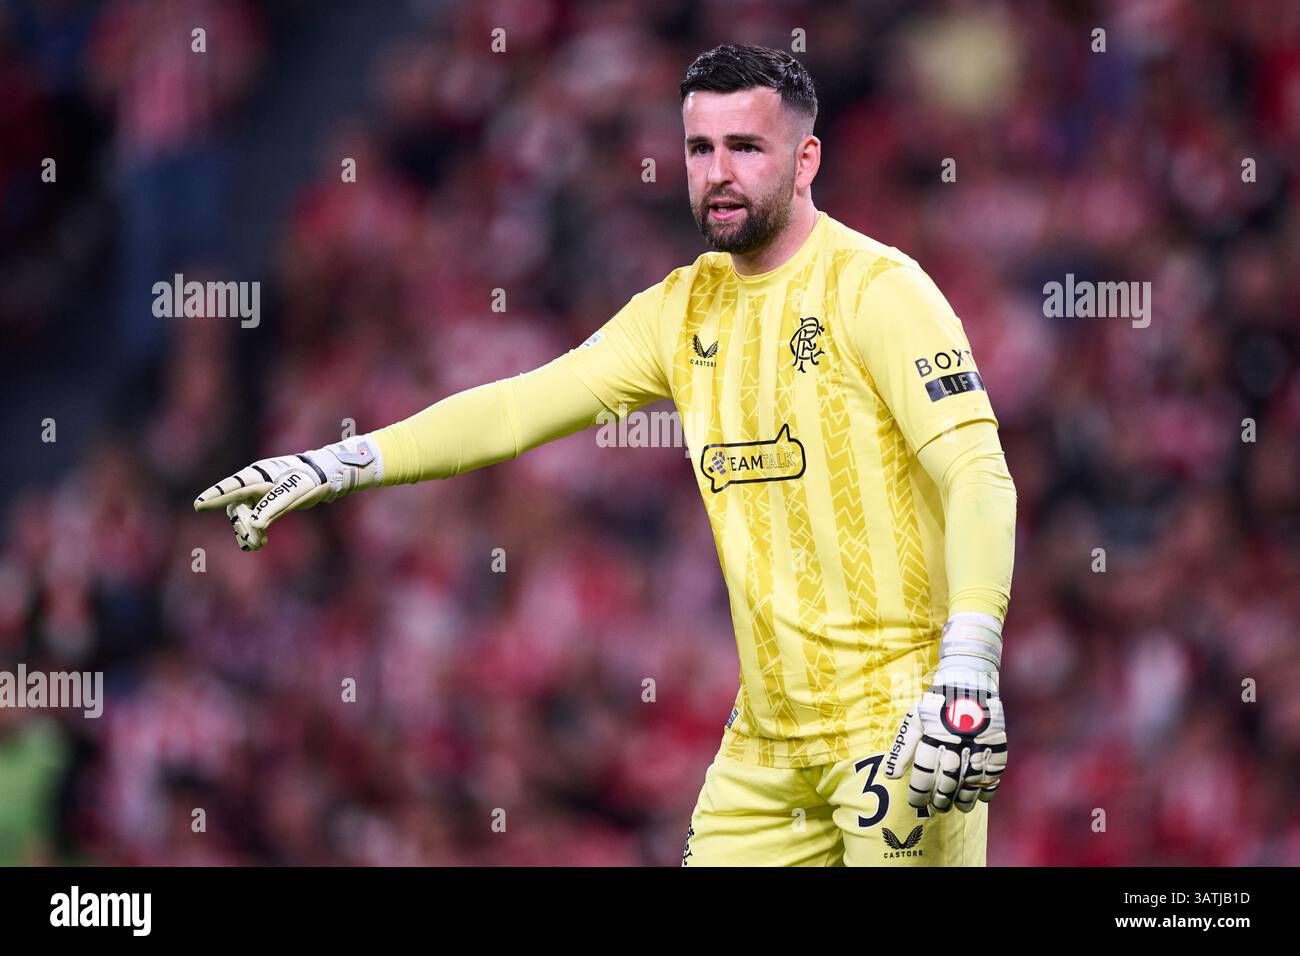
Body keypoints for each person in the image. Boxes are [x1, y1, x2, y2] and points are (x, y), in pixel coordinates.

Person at [194, 43, 1016, 867]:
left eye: (746, 147)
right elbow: (518, 407)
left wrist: (970, 662)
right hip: (770, 739)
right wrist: (343, 463)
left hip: (902, 717)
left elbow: (977, 470)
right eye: (701, 148)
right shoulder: (680, 309)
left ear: (806, 160)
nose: (719, 172)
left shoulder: (880, 291)